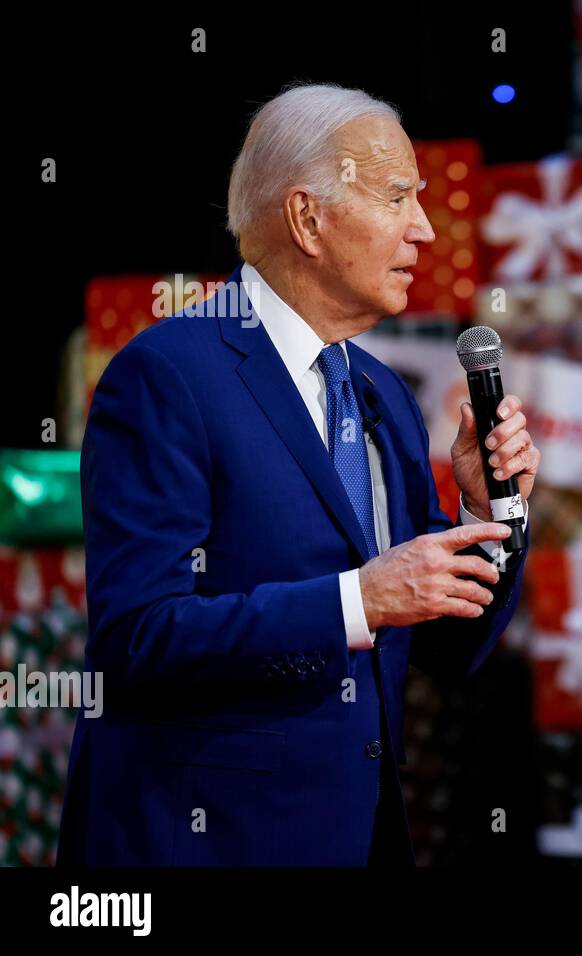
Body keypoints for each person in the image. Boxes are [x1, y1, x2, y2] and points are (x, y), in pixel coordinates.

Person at [58, 83, 541, 865]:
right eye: (398, 198)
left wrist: (487, 519)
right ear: (307, 218)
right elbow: (137, 640)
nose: (424, 229)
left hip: (361, 835)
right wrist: (359, 599)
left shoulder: (382, 390)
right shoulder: (166, 375)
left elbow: (448, 650)